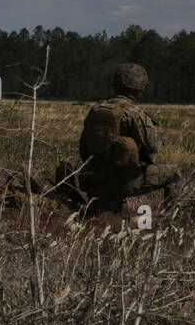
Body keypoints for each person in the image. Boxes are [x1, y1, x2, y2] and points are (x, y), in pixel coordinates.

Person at [77, 63, 180, 214]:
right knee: (174, 173)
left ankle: (101, 210)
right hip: (121, 182)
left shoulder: (97, 109)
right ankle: (171, 218)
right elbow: (155, 146)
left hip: (91, 179)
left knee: (105, 215)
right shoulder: (133, 112)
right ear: (137, 88)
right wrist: (156, 129)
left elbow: (83, 150)